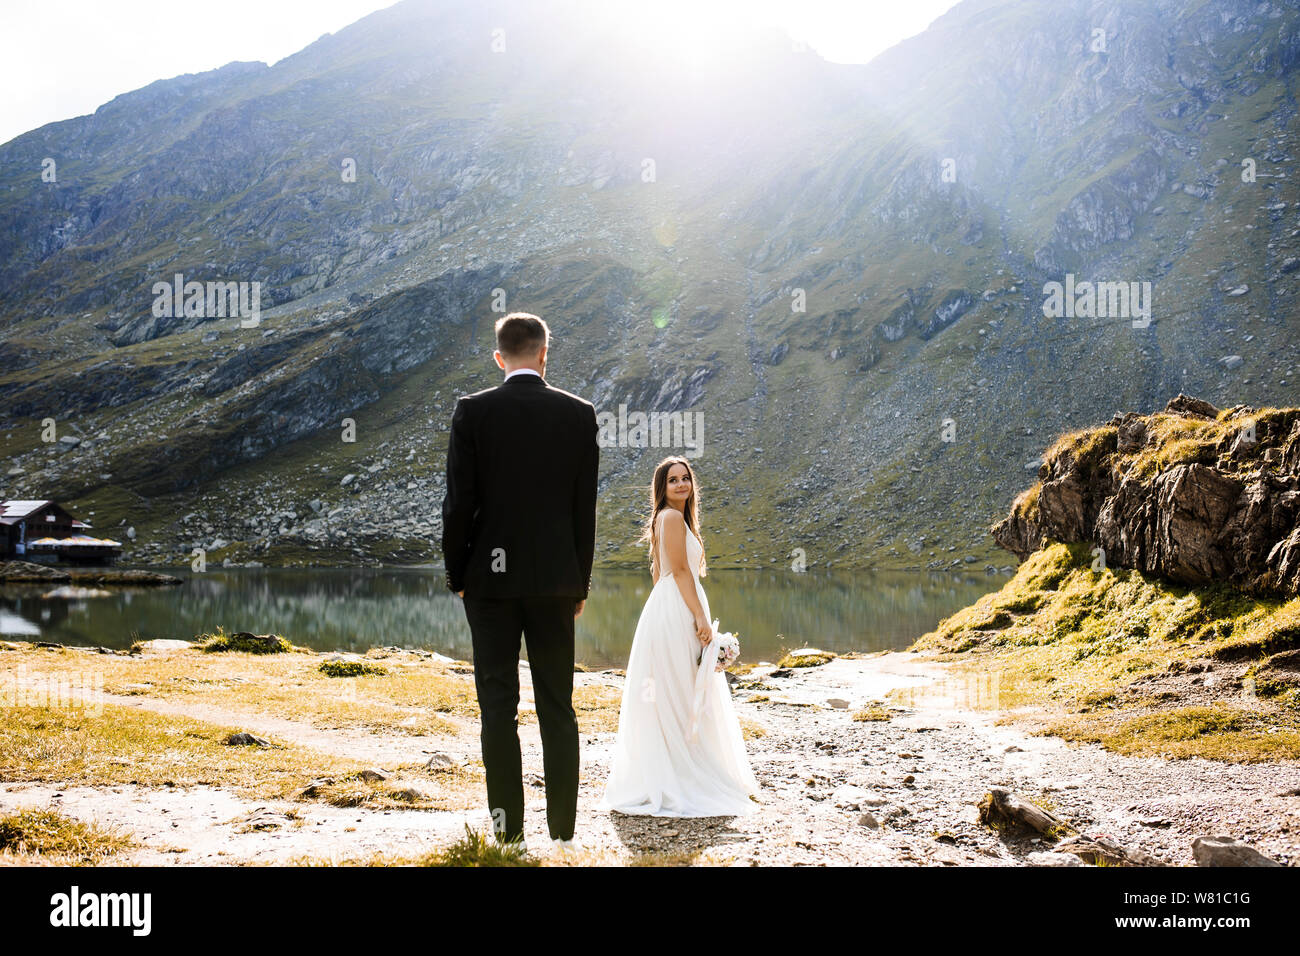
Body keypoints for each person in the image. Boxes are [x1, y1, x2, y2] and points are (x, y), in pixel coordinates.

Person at [441, 312, 599, 855]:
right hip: (556, 581)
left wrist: (458, 574)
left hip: (491, 582)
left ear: (499, 357)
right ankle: (563, 835)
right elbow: (584, 510)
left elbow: (459, 503)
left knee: (498, 708)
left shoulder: (473, 412)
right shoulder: (579, 414)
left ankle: (508, 835)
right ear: (545, 354)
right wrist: (579, 581)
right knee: (558, 706)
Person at [599, 455, 761, 817]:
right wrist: (700, 617)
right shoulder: (670, 517)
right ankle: (682, 769)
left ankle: (678, 764)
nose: (681, 484)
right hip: (679, 609)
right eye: (672, 480)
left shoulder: (670, 519)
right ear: (662, 487)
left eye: (685, 478)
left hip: (670, 608)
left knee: (677, 689)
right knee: (682, 688)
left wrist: (669, 610)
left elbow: (660, 574)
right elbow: (682, 571)